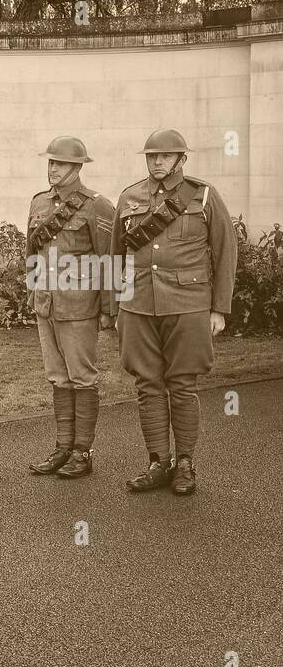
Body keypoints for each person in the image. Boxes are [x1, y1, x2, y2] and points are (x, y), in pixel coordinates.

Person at [108, 130, 236, 496]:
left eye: (166, 156)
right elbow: (115, 254)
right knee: (147, 385)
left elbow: (225, 251)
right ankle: (156, 463)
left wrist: (219, 308)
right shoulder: (129, 197)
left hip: (188, 304)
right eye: (152, 156)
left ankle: (185, 464)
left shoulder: (204, 195)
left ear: (182, 159)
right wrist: (115, 305)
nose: (158, 162)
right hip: (137, 305)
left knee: (182, 385)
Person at [25, 136, 116, 479]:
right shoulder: (38, 203)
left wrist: (109, 309)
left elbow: (110, 259)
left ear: (77, 167)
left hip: (79, 306)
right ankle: (63, 447)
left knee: (82, 378)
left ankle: (83, 451)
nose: (52, 169)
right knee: (58, 377)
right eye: (50, 163)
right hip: (46, 304)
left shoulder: (96, 206)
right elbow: (31, 253)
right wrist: (33, 292)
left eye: (59, 164)